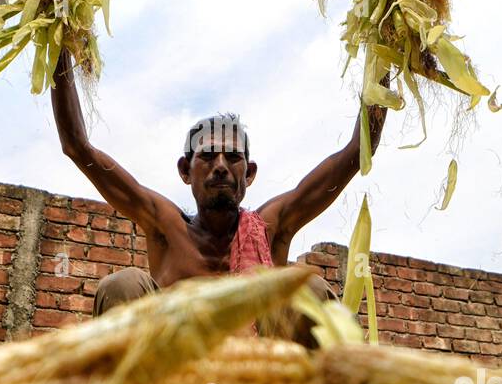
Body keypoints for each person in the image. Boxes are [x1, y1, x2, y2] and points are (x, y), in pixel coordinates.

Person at [49, 51, 388, 345]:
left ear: (249, 173)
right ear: (186, 170)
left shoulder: (269, 227)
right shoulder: (166, 227)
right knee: (124, 284)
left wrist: (384, 45)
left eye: (233, 158)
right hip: (174, 378)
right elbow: (77, 146)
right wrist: (61, 42)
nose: (221, 167)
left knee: (308, 291)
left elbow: (357, 151)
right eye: (208, 157)